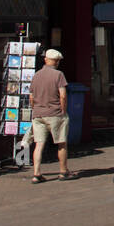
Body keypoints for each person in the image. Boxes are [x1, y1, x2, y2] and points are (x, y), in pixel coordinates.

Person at [30, 49, 72, 182]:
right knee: (61, 142)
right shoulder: (58, 75)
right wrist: (63, 111)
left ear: (45, 59)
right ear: (57, 61)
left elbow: (31, 97)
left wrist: (35, 109)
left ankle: (36, 173)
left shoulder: (36, 75)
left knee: (39, 144)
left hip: (38, 114)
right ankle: (63, 171)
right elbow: (63, 95)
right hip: (55, 113)